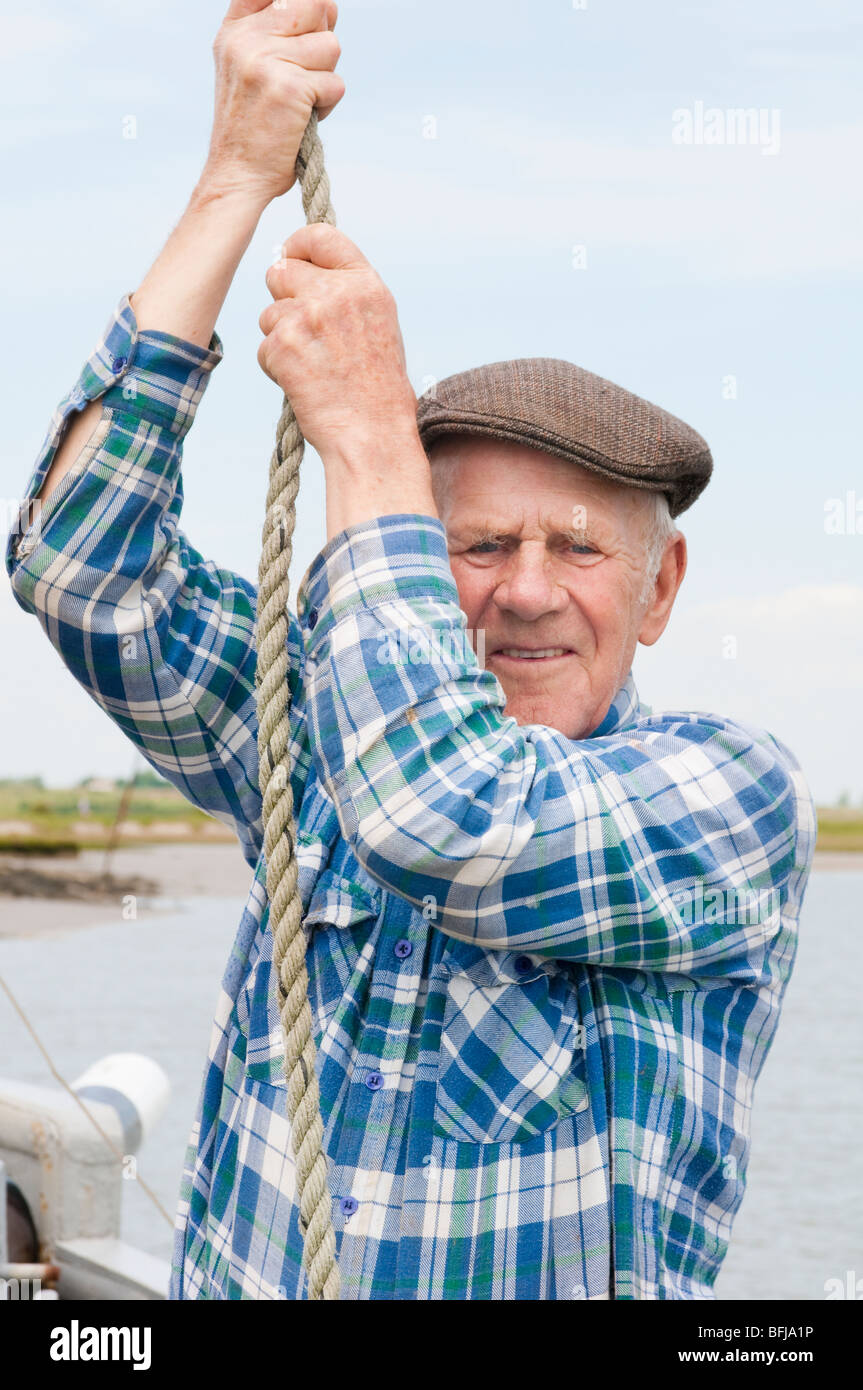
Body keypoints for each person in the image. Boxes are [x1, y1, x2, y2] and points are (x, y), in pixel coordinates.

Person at [5, 0, 815, 1300]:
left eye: (580, 549)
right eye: (478, 545)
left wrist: (373, 438)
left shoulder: (734, 802)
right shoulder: (322, 730)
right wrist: (230, 189)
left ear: (662, 587)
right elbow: (78, 567)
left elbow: (442, 808)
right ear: (415, 561)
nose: (527, 592)